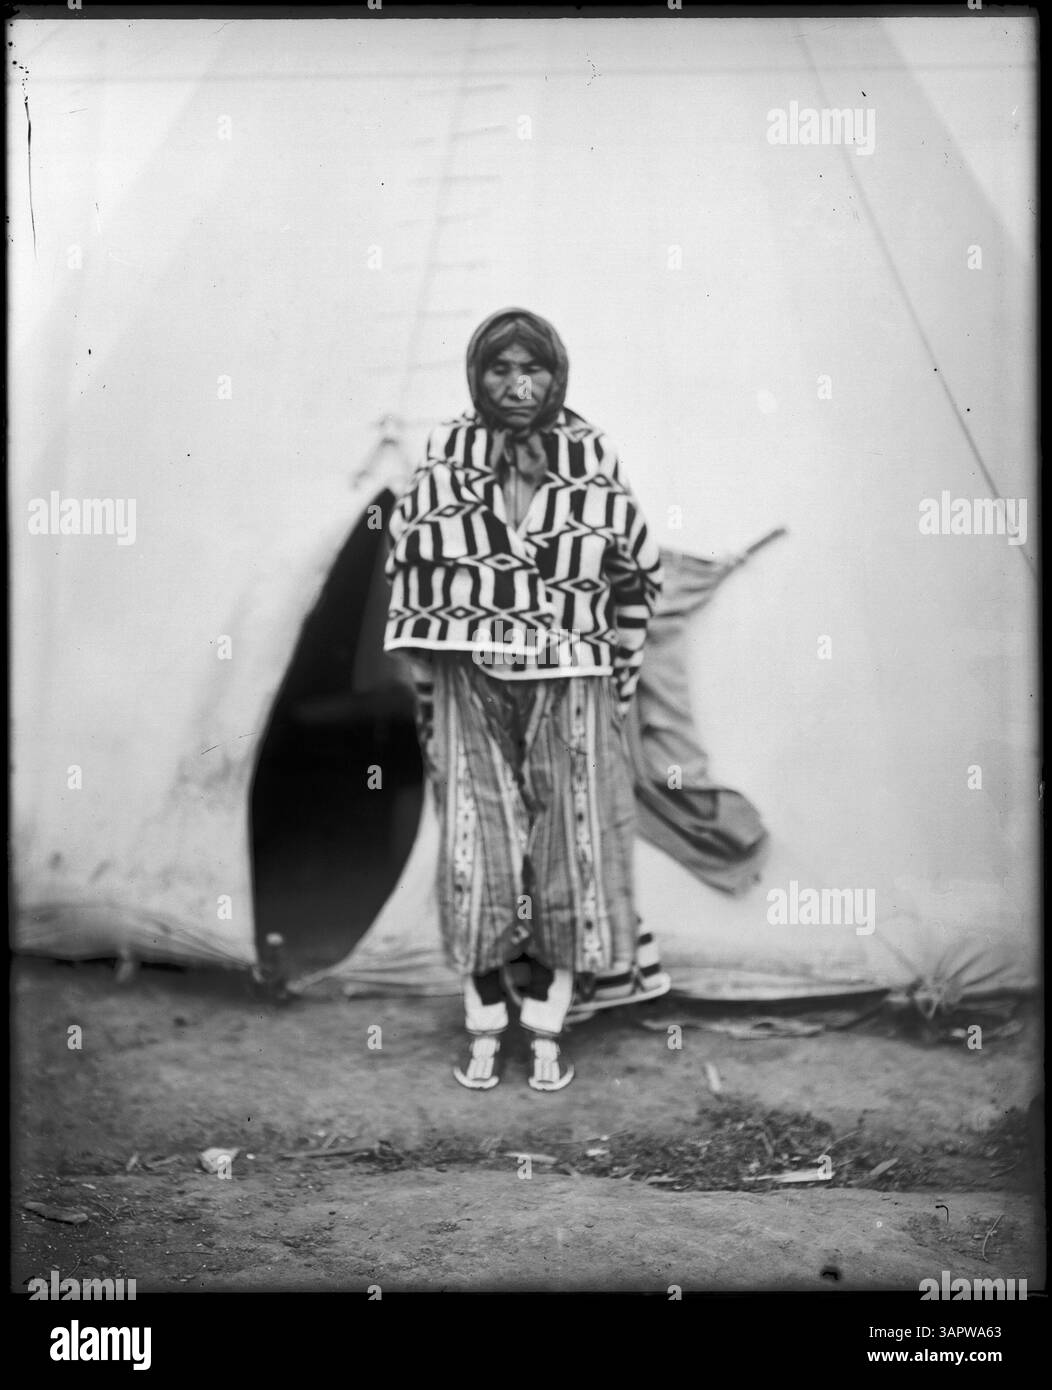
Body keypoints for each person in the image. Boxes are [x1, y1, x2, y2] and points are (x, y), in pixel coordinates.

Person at [384, 307, 662, 1091]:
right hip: (470, 675)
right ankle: (484, 1025)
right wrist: (429, 674)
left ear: (556, 373)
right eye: (499, 369)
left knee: (571, 842)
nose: (516, 385)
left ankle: (547, 1025)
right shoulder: (447, 447)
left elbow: (635, 568)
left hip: (570, 676)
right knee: (477, 837)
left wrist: (620, 677)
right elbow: (410, 564)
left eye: (531, 369)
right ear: (476, 375)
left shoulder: (589, 450)